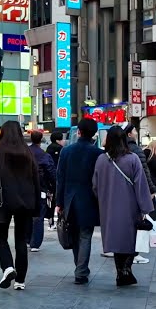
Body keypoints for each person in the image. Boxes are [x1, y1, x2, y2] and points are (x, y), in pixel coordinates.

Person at [94, 126, 155, 286]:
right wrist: (145, 208)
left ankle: (120, 271)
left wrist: (102, 199)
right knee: (129, 238)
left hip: (108, 206)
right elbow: (140, 185)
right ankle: (126, 270)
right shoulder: (132, 158)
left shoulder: (101, 160)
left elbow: (95, 185)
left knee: (116, 240)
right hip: (129, 206)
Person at [0, 121, 39, 290]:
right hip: (25, 202)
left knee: (1, 238)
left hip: (3, 201)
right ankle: (20, 281)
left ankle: (7, 267)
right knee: (21, 240)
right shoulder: (27, 151)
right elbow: (36, 179)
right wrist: (36, 205)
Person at [56, 117, 104, 284]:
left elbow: (60, 178)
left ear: (79, 132)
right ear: (94, 134)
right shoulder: (98, 154)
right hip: (90, 200)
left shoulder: (66, 151)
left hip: (70, 200)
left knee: (75, 233)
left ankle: (80, 267)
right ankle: (81, 270)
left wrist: (59, 202)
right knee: (85, 235)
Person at [28, 130, 56, 252]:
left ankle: (27, 239)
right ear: (41, 140)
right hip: (40, 187)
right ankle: (35, 243)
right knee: (38, 215)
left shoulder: (25, 152)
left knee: (26, 214)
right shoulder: (44, 155)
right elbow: (51, 172)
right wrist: (53, 186)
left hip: (25, 187)